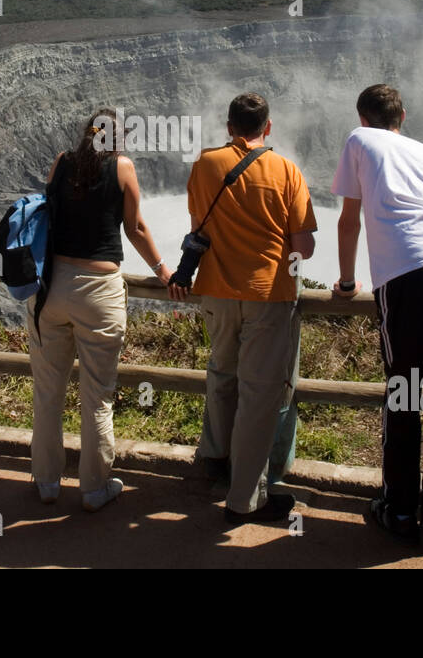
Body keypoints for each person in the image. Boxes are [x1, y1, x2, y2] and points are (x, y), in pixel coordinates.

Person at [330, 84, 423, 555]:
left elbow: (349, 219)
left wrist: (348, 282)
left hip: (405, 273)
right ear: (403, 116)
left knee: (405, 392)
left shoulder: (359, 139)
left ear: (363, 117)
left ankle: (397, 511)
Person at [168, 93, 316, 526]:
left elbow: (199, 222)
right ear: (266, 128)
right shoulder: (286, 170)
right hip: (268, 295)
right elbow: (303, 246)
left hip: (215, 291)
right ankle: (245, 498)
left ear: (228, 125)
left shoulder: (205, 164)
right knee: (260, 393)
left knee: (222, 372)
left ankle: (214, 457)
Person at [28, 107, 173, 511]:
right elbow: (136, 227)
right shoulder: (122, 168)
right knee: (96, 396)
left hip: (51, 288)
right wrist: (163, 269)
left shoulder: (62, 162)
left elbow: (49, 212)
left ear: (85, 134)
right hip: (99, 291)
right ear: (119, 138)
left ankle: (46, 482)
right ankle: (93, 488)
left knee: (48, 392)